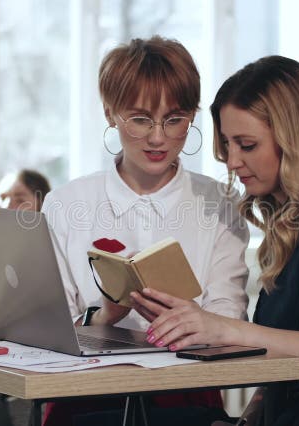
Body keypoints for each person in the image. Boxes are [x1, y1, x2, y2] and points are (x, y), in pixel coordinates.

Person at [131, 56, 299, 425]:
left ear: (295, 139)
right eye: (228, 144)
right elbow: (282, 361)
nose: (231, 161)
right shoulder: (294, 220)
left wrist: (217, 326)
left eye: (246, 145)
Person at [40, 36, 249, 425]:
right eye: (139, 119)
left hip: (188, 399)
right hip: (84, 401)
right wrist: (106, 315)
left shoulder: (218, 203)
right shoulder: (66, 204)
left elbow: (230, 320)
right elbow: (46, 336)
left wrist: (190, 319)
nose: (158, 137)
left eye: (175, 119)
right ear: (110, 113)